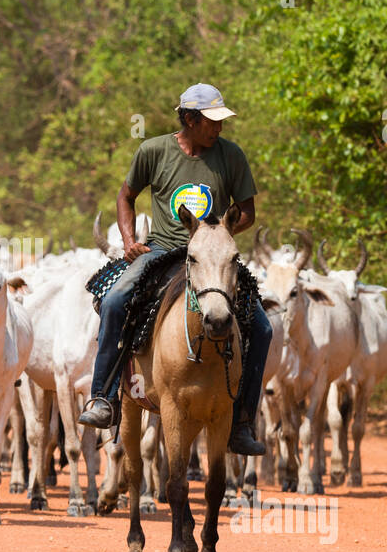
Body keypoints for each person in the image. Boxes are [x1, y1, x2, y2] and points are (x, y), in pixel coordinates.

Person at [77, 83, 271, 456]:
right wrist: (130, 238)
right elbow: (126, 196)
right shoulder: (153, 150)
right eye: (212, 121)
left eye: (220, 121)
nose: (219, 128)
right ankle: (102, 398)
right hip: (162, 251)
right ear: (189, 119)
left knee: (262, 326)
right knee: (116, 300)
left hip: (212, 256)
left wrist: (221, 233)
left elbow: (246, 210)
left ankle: (243, 421)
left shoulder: (231, 155)